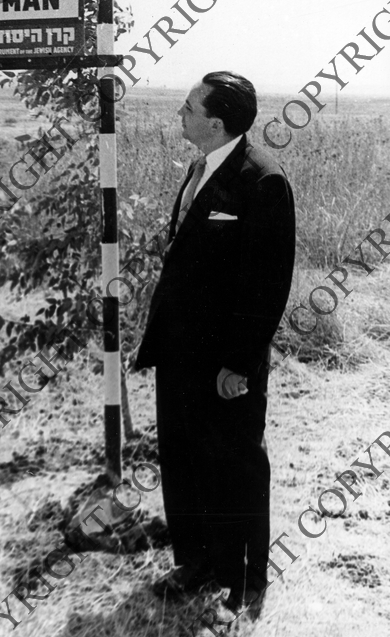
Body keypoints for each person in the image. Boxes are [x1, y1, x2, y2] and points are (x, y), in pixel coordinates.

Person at [135, 71, 295, 617]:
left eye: (188, 107)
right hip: (179, 351)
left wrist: (239, 363)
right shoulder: (199, 167)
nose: (179, 113)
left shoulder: (262, 181)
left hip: (224, 360)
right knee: (181, 458)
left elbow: (268, 284)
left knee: (234, 464)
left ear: (216, 122)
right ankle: (197, 561)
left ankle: (246, 580)